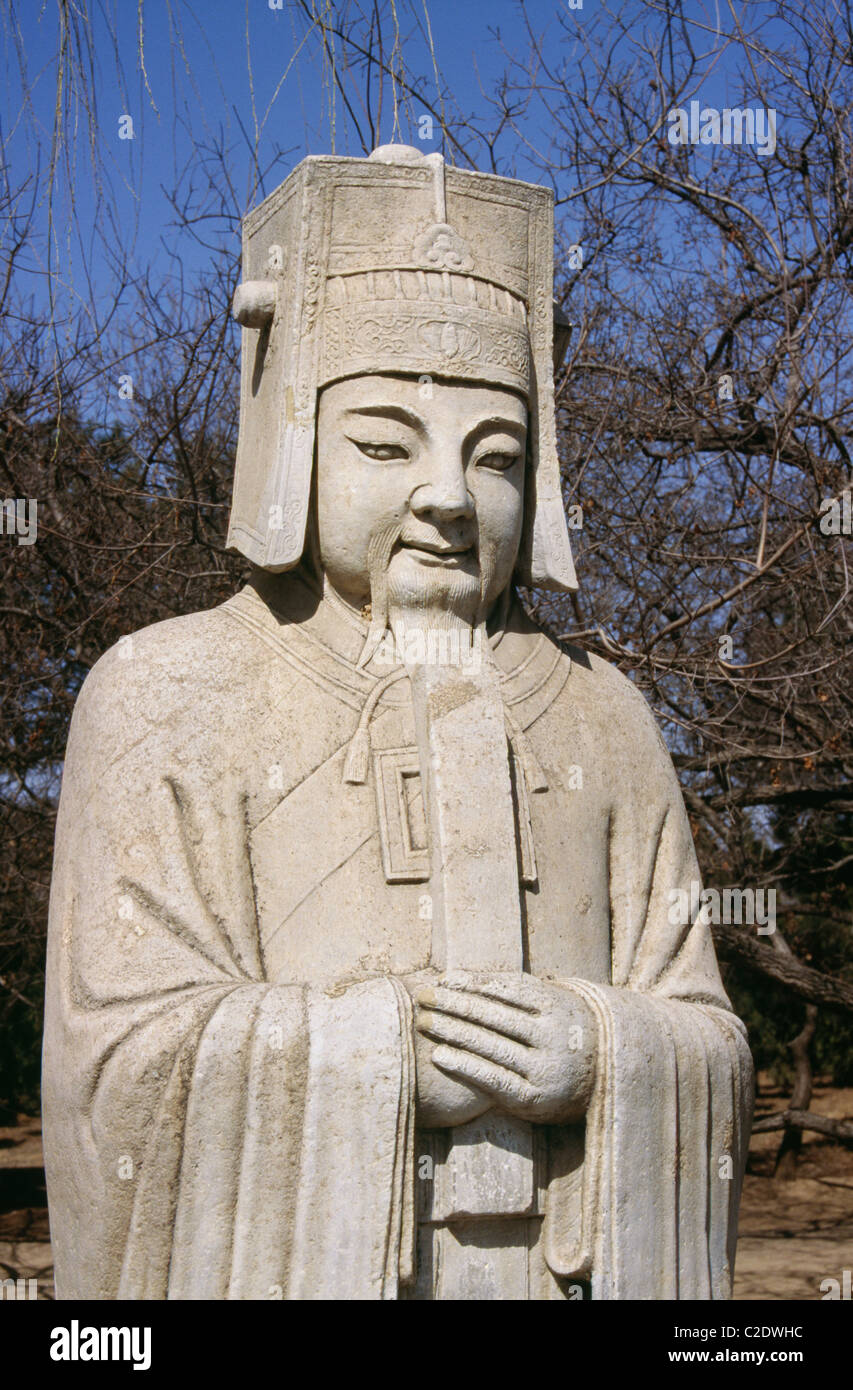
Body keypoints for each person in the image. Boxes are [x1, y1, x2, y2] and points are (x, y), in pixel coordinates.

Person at [43, 146, 753, 1300]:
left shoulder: (604, 714)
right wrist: (369, 1057)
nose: (448, 497)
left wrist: (599, 1050)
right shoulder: (162, 692)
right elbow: (112, 1070)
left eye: (499, 457)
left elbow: (708, 1034)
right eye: (384, 443)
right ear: (293, 440)